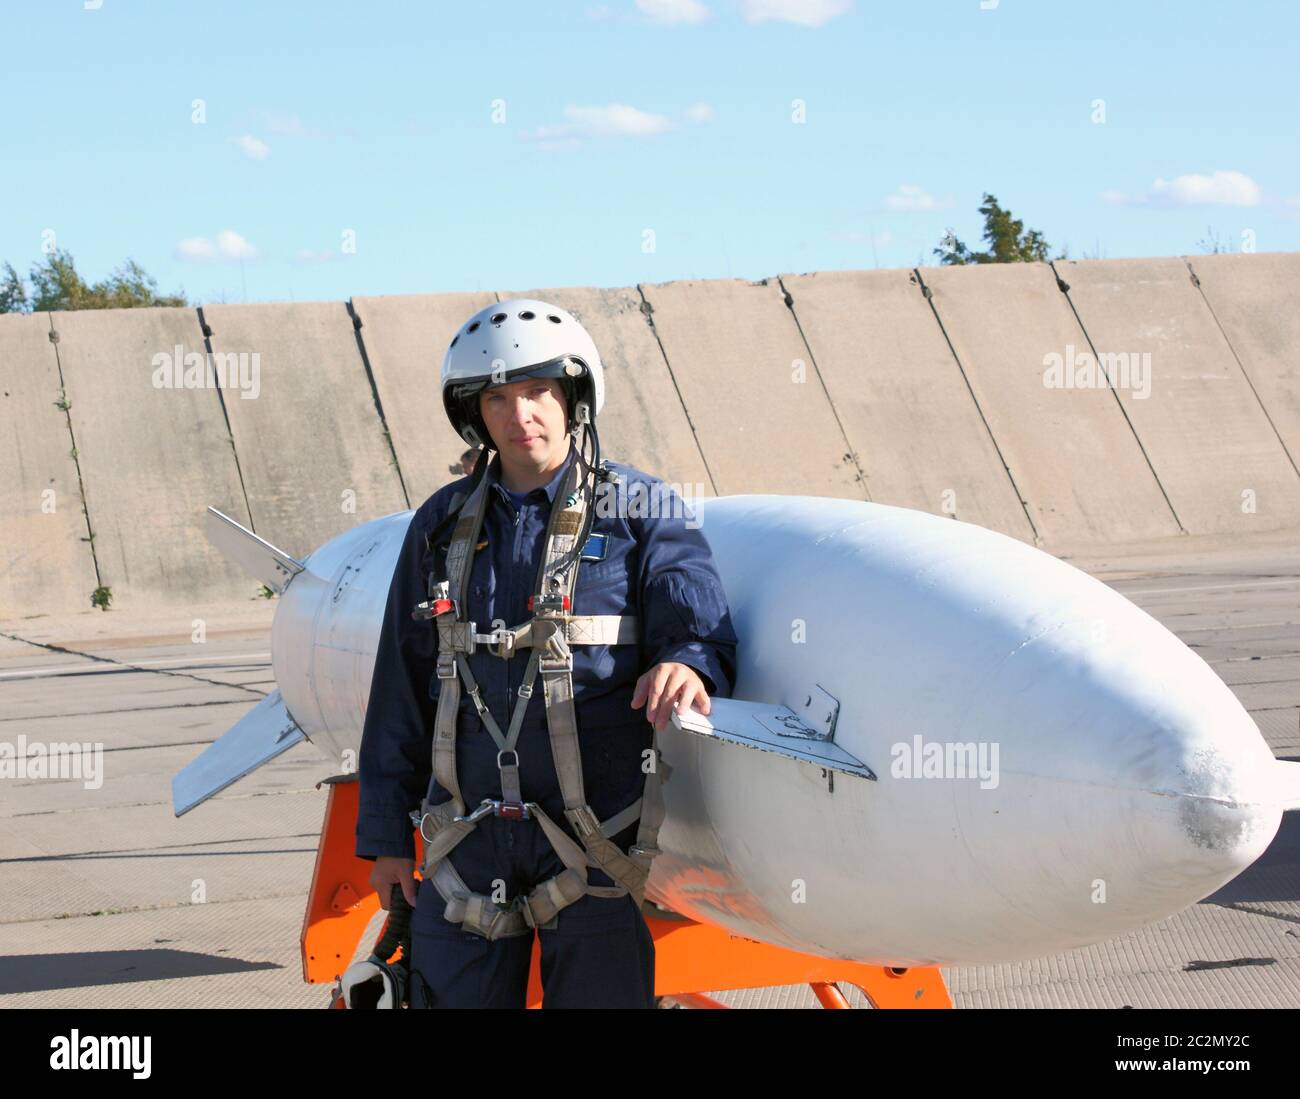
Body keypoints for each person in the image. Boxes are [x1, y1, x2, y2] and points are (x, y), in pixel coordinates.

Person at [356, 298, 737, 1008]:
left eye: (537, 391)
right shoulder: (439, 526)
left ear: (571, 399)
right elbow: (401, 686)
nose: (519, 412)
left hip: (597, 841)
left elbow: (697, 613)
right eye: (497, 396)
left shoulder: (640, 508)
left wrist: (685, 658)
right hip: (463, 847)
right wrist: (384, 837)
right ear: (476, 414)